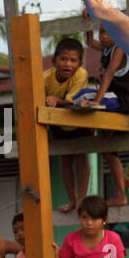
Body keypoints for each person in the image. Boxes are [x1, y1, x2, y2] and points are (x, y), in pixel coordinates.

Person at [78, 25, 129, 207]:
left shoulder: (120, 48)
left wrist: (96, 101)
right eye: (101, 32)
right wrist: (87, 24)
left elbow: (109, 75)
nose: (103, 36)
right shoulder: (107, 47)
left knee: (83, 95)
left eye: (107, 32)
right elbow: (88, 42)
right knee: (109, 152)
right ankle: (120, 196)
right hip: (114, 99)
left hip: (123, 100)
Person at [43, 38, 91, 213]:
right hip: (59, 124)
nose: (67, 64)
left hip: (78, 120)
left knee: (81, 158)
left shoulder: (81, 75)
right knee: (65, 159)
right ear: (53, 60)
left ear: (80, 63)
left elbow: (72, 101)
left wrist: (55, 99)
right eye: (63, 59)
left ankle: (81, 199)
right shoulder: (45, 78)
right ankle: (71, 200)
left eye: (73, 60)